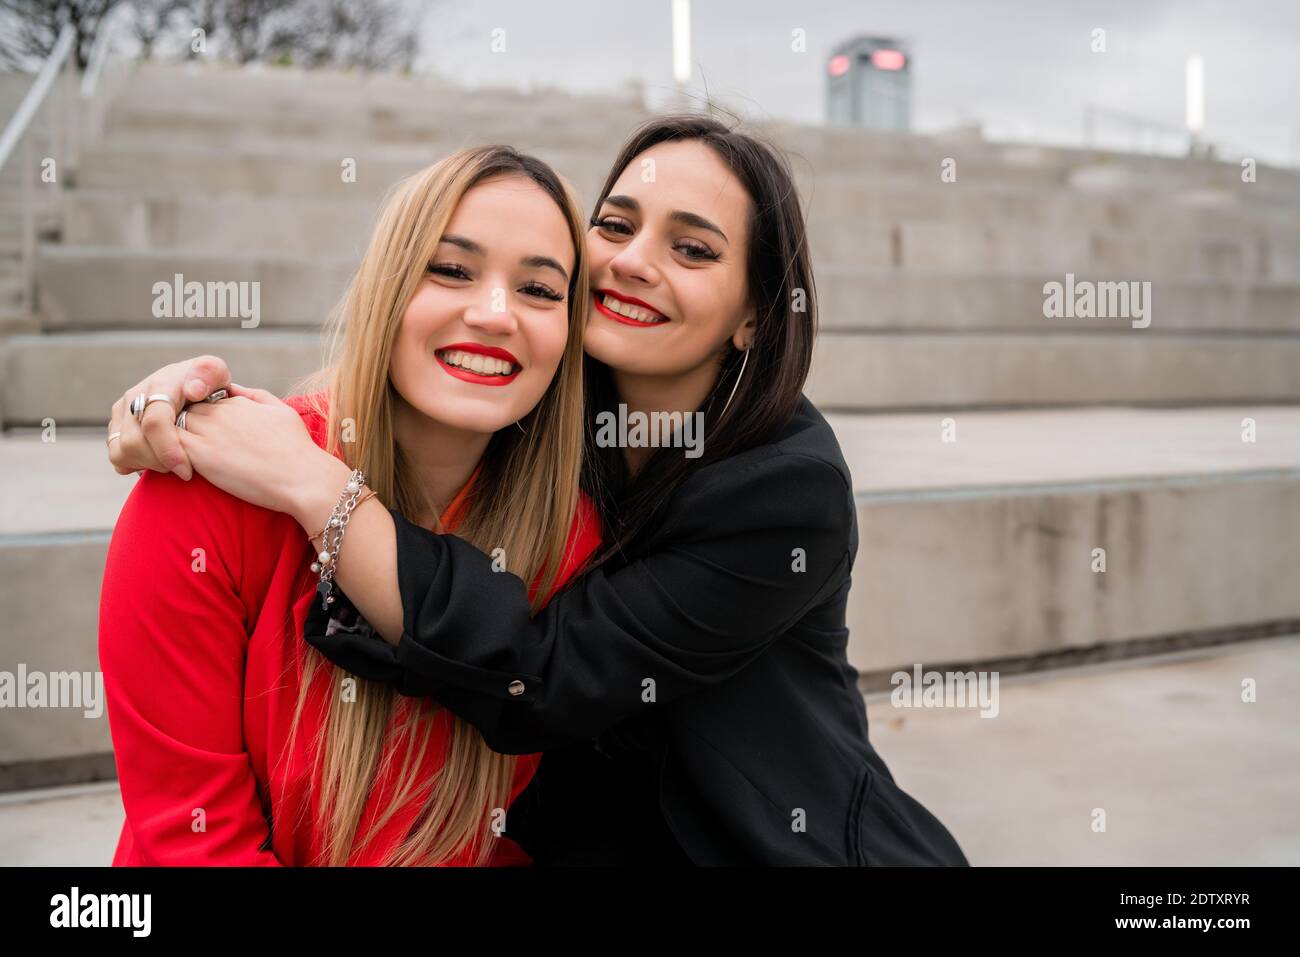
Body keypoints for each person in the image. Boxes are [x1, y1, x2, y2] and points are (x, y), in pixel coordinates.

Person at [106, 115, 969, 866]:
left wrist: (315, 483)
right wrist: (172, 405)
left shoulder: (784, 491)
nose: (632, 262)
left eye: (693, 248)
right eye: (616, 225)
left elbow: (541, 673)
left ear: (754, 314)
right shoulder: (544, 401)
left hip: (754, 844)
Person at [99, 146, 601, 866]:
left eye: (540, 290)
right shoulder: (204, 482)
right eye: (451, 269)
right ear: (386, 289)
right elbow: (194, 838)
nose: (495, 314)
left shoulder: (573, 540)